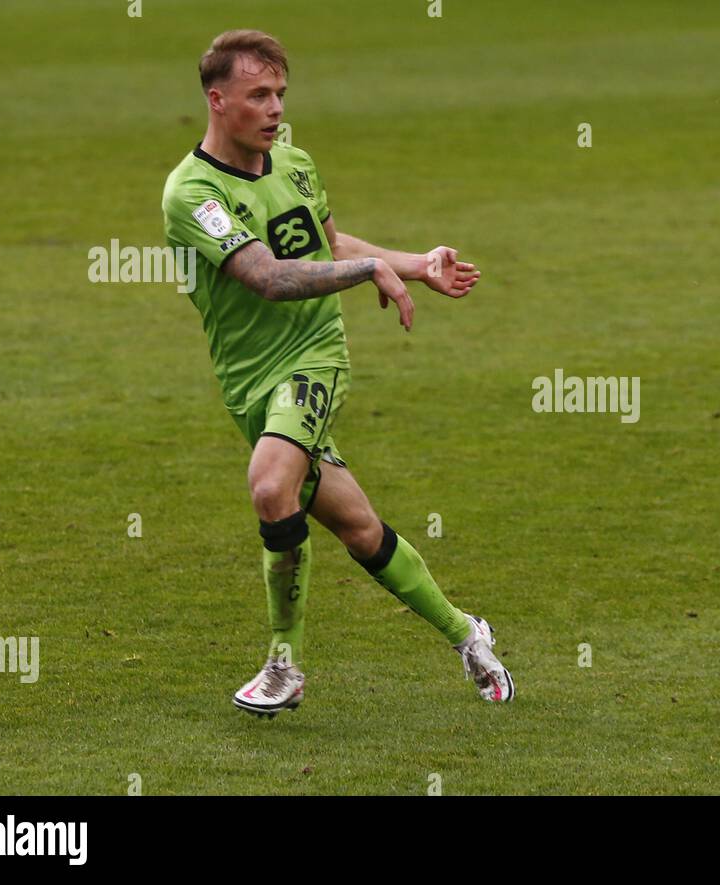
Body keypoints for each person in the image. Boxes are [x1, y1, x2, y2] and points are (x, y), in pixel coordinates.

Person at [161, 29, 513, 717]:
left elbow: (324, 243)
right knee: (358, 528)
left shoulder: (294, 162)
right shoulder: (192, 193)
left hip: (315, 357)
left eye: (280, 94)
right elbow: (264, 274)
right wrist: (369, 269)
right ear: (217, 99)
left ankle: (284, 666)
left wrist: (409, 261)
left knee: (269, 485)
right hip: (247, 381)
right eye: (258, 95)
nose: (273, 109)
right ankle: (467, 632)